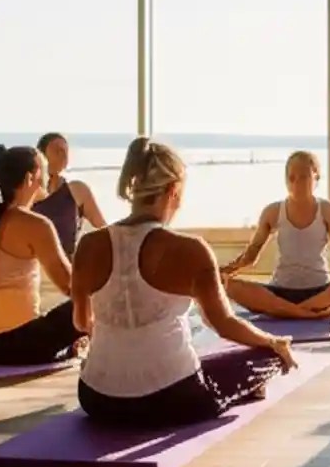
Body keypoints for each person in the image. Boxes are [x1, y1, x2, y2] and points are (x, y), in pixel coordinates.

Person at [73, 137, 298, 428]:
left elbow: (81, 323)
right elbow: (223, 324)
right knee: (267, 357)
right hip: (172, 399)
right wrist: (272, 341)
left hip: (96, 399)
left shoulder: (89, 245)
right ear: (173, 191)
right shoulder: (191, 249)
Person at [0, 145, 87, 365]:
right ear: (30, 178)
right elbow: (69, 286)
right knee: (93, 300)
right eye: (44, 170)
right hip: (20, 345)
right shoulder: (36, 225)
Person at [221, 151, 330, 320]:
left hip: (319, 291)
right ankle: (306, 312)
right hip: (279, 291)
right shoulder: (272, 212)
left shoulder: (328, 211)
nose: (297, 183)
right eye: (292, 178)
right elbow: (250, 256)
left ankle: (287, 311)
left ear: (316, 178)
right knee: (230, 286)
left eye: (304, 177)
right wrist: (221, 272)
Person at [32, 132, 108, 257]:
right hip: (36, 265)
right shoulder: (29, 191)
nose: (63, 155)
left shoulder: (78, 190)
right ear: (42, 156)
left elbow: (102, 228)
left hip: (68, 265)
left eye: (65, 152)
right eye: (58, 151)